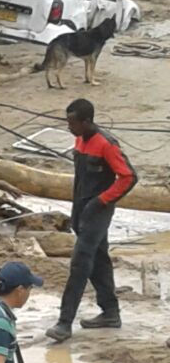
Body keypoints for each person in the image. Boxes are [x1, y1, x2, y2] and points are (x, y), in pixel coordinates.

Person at [46, 99, 137, 342]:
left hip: (98, 211)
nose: (69, 126)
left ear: (87, 121)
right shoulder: (79, 140)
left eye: (72, 122)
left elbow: (128, 177)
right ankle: (110, 312)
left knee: (80, 263)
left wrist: (101, 201)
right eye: (67, 121)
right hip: (81, 209)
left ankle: (64, 323)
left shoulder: (106, 144)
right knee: (99, 260)